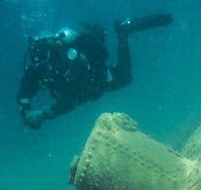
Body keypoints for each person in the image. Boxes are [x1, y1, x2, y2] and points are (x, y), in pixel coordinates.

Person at [17, 13, 173, 129]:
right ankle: (122, 32)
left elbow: (74, 95)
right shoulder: (36, 69)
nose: (44, 72)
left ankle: (123, 33)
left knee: (125, 76)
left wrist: (44, 114)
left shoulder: (66, 57)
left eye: (46, 66)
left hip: (95, 79)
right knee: (121, 77)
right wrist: (25, 112)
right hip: (88, 87)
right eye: (40, 69)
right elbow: (24, 92)